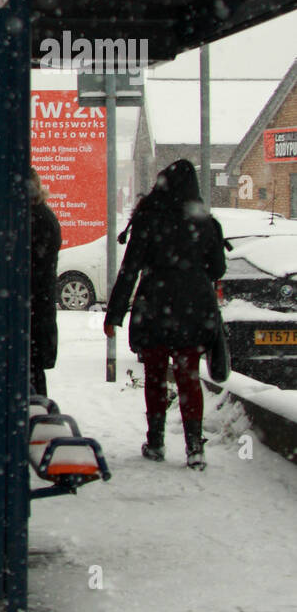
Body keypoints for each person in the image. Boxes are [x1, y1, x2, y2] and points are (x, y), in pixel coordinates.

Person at [103, 159, 225, 471]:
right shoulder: (205, 222)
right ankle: (194, 447)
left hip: (154, 307)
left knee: (155, 377)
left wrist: (114, 315)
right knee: (189, 378)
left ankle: (156, 441)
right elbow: (218, 268)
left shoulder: (147, 218)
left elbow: (130, 268)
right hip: (193, 310)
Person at [28, 169, 61, 400]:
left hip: (32, 309)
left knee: (31, 373)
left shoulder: (34, 219)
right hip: (38, 308)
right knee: (34, 371)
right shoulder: (43, 216)